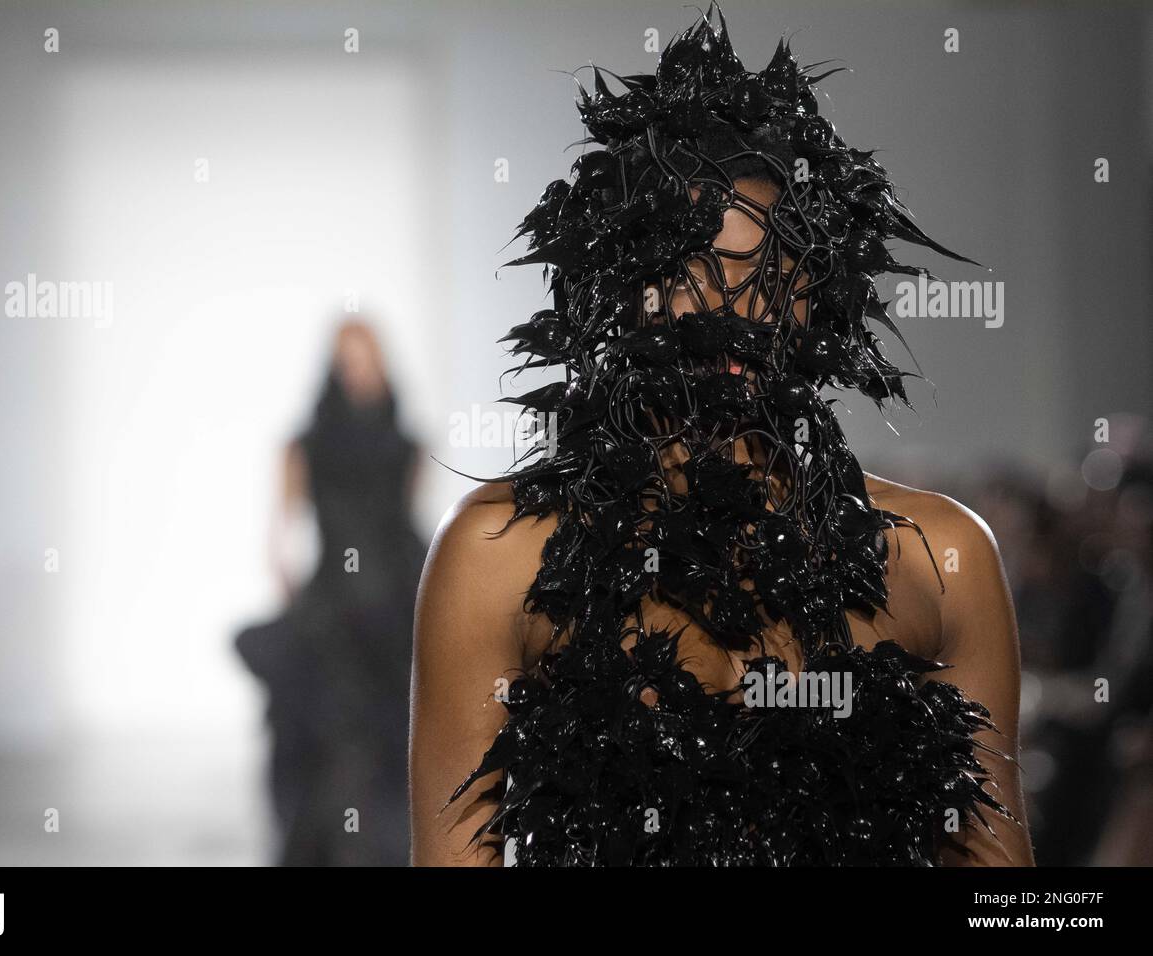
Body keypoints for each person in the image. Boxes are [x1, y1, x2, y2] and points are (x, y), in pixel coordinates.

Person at [410, 6, 1034, 866]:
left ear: (823, 296)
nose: (731, 318)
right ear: (617, 290)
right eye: (686, 272)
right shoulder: (498, 555)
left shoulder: (944, 561)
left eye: (771, 276)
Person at [237, 319, 426, 866]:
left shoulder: (408, 444)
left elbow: (407, 521)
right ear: (334, 367)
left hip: (395, 599)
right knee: (333, 729)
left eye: (365, 358)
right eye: (348, 360)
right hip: (336, 605)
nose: (358, 370)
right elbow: (282, 529)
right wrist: (292, 592)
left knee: (391, 730)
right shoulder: (306, 444)